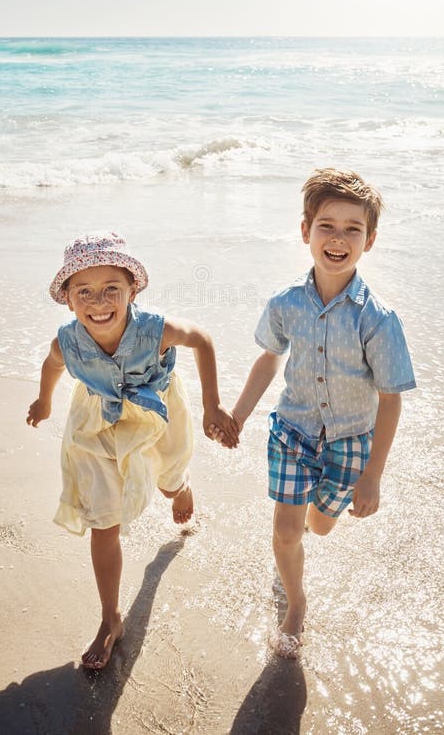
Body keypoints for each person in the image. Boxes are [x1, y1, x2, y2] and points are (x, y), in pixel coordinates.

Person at [210, 168, 416, 658]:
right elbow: (269, 359)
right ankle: (296, 603)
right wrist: (238, 415)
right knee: (285, 530)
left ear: (369, 240)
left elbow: (391, 398)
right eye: (327, 226)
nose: (338, 239)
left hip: (351, 441)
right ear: (306, 231)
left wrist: (372, 476)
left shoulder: (377, 319)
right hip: (293, 432)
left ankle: (312, 521)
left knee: (320, 525)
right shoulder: (286, 303)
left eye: (352, 229)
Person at [27, 232, 238, 670]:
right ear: (68, 299)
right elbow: (51, 365)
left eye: (111, 289)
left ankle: (179, 488)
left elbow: (201, 339)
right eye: (84, 291)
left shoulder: (155, 330)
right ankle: (110, 619)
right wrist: (44, 401)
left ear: (132, 291)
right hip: (97, 422)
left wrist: (212, 404)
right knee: (103, 522)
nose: (98, 302)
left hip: (158, 411)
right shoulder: (67, 341)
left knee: (167, 479)